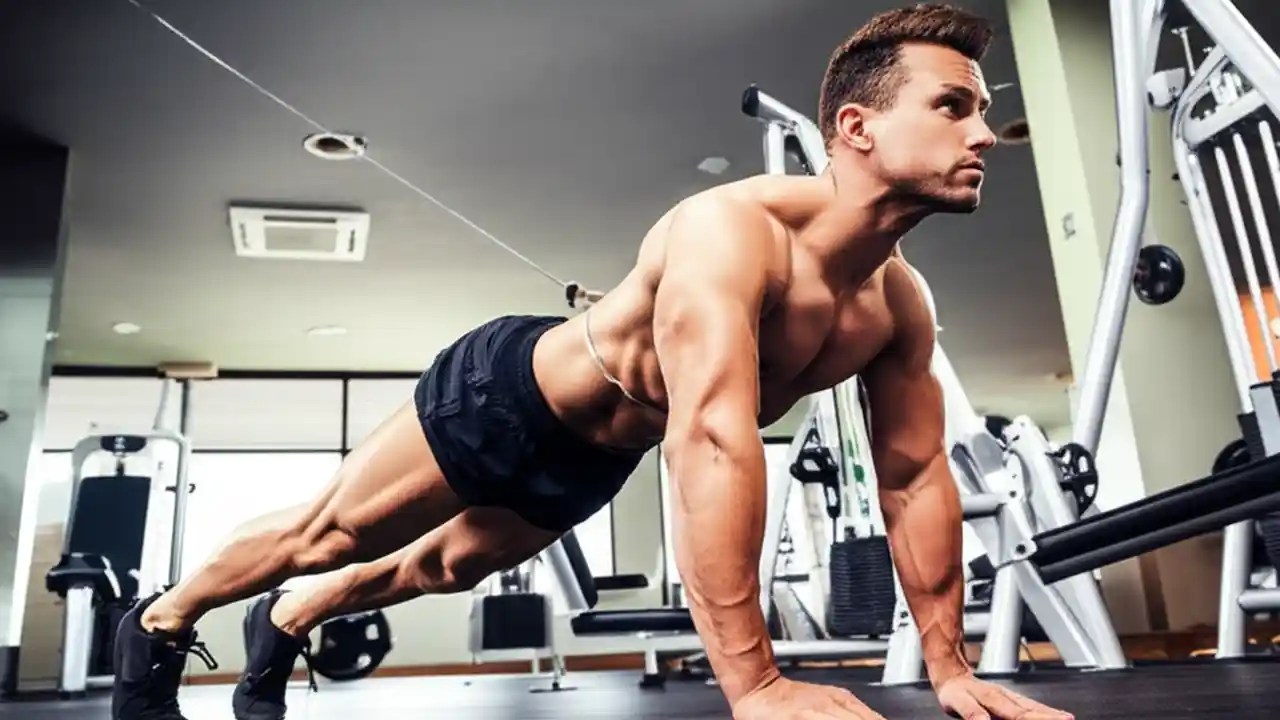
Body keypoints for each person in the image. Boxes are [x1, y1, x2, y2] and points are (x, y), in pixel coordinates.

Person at [112, 4, 1074, 720]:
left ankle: (287, 620)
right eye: (953, 106)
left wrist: (951, 669)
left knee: (443, 569)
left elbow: (913, 478)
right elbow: (711, 438)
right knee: (332, 534)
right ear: (857, 128)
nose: (983, 134)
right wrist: (756, 686)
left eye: (982, 112)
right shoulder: (732, 231)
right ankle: (159, 624)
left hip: (599, 453)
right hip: (509, 395)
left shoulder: (899, 306)